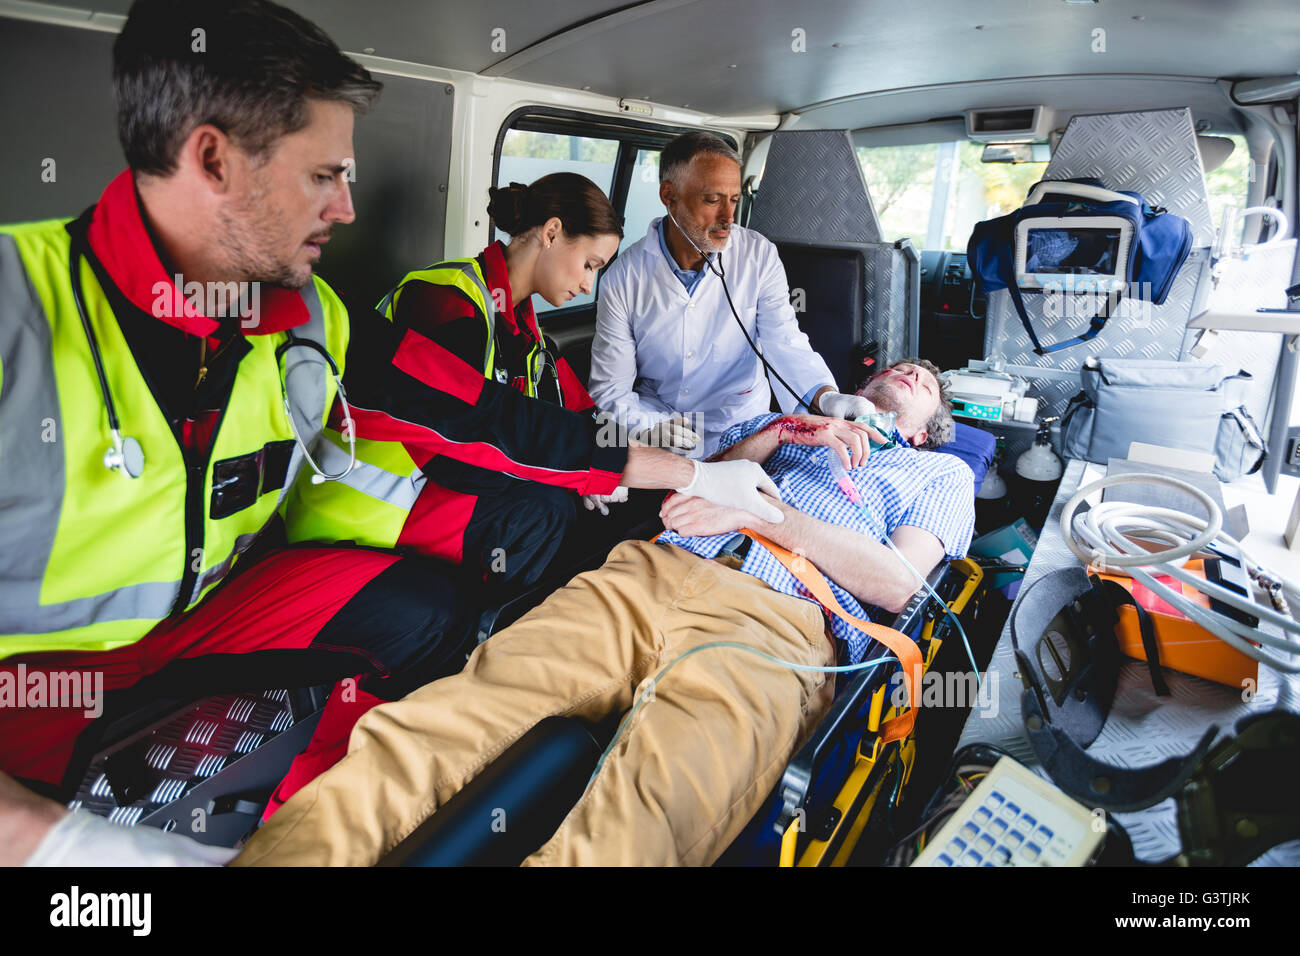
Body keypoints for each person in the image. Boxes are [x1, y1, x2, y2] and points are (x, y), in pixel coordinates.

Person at [0, 0, 783, 867]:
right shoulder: (17, 314)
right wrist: (52, 842)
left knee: (428, 618)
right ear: (213, 159)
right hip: (32, 685)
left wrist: (692, 475)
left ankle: (320, 820)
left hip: (212, 611)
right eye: (324, 175)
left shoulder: (307, 316)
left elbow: (488, 418)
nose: (345, 207)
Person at [232, 358, 974, 867]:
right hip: (648, 572)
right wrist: (780, 435)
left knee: (644, 817)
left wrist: (767, 519)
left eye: (925, 383)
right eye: (900, 366)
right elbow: (707, 480)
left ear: (926, 425)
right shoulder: (797, 432)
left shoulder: (937, 472)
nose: (911, 372)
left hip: (777, 622)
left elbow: (897, 582)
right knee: (440, 722)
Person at [284, 173, 685, 589]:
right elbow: (455, 456)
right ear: (551, 233)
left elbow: (585, 414)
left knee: (614, 500)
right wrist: (577, 473)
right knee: (546, 509)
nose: (588, 285)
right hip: (370, 502)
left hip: (424, 495)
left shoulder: (527, 336)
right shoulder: (446, 301)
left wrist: (638, 462)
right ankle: (488, 635)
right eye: (589, 264)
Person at [588, 131, 876, 457]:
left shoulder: (758, 255)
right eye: (713, 200)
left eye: (734, 200)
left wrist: (826, 397)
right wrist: (648, 428)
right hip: (662, 422)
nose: (728, 217)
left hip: (743, 424)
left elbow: (784, 342)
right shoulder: (623, 278)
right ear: (669, 196)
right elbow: (611, 389)